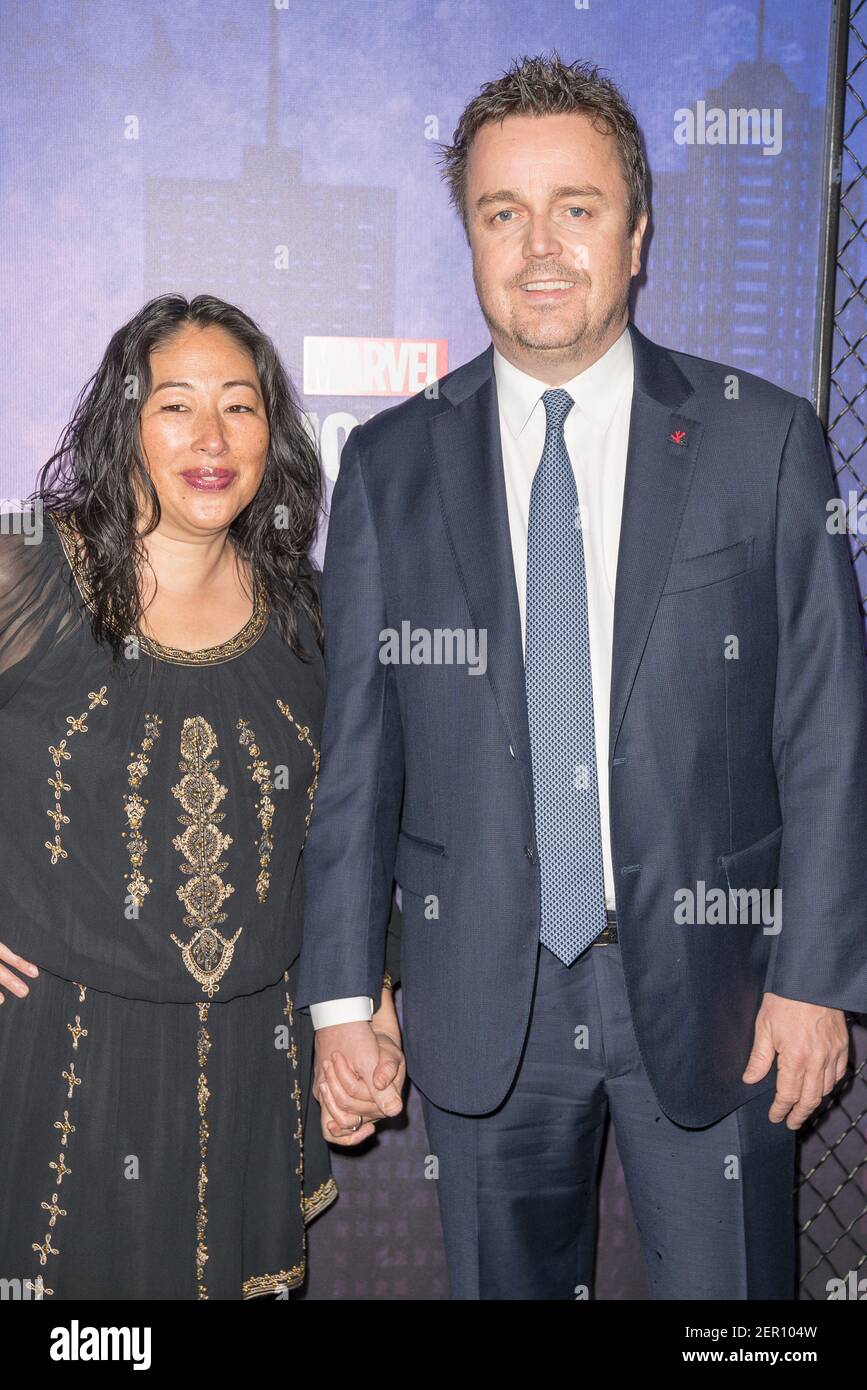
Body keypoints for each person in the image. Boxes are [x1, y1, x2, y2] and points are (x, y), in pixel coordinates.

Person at [297, 54, 867, 1298]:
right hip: (477, 993)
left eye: (578, 207)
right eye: (504, 212)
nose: (540, 245)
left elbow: (827, 732)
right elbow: (358, 759)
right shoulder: (392, 465)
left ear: (638, 233)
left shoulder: (762, 441)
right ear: (471, 237)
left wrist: (816, 978)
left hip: (723, 993)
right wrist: (344, 993)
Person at [0, 293, 404, 1300]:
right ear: (122, 423)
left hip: (245, 1063)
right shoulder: (26, 567)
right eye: (175, 405)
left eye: (240, 405)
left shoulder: (311, 619)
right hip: (57, 1059)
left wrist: (370, 1009)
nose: (212, 438)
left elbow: (350, 837)